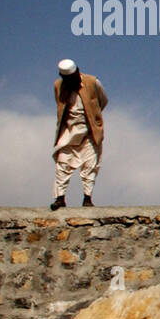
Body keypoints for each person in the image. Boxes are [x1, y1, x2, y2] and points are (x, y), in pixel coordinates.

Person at [50, 59, 107, 210]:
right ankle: (60, 198)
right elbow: (60, 105)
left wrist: (93, 118)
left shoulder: (92, 82)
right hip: (69, 131)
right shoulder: (59, 86)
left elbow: (103, 100)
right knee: (63, 163)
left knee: (90, 165)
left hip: (89, 131)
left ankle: (87, 198)